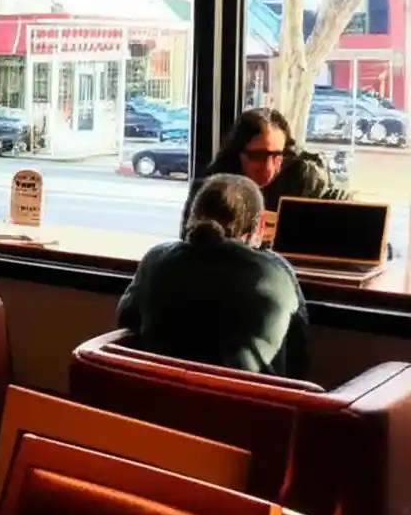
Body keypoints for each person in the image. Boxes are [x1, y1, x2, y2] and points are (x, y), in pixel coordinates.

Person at [121, 173, 308, 378]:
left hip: (159, 399)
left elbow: (126, 321)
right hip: (248, 405)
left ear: (192, 216)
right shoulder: (277, 273)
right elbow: (298, 358)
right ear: (260, 227)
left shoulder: (156, 259)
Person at [181, 108, 346, 232]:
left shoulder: (304, 175)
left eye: (277, 156)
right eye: (257, 156)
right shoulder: (212, 186)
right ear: (238, 153)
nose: (268, 168)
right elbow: (191, 242)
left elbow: (345, 209)